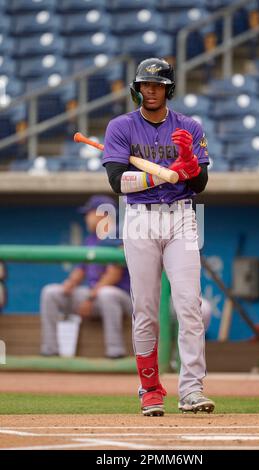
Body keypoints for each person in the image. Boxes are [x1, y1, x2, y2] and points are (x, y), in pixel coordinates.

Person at [103, 57, 215, 416]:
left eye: (158, 85)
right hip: (139, 219)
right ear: (138, 89)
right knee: (146, 310)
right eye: (146, 85)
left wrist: (190, 166)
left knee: (190, 307)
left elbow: (199, 184)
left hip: (182, 215)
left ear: (169, 88)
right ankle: (150, 388)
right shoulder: (120, 127)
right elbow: (119, 182)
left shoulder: (190, 127)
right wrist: (161, 176)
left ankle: (192, 390)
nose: (151, 90)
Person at [40, 195, 132, 359]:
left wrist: (90, 298)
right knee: (51, 292)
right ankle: (50, 349)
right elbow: (81, 268)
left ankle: (115, 352)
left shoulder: (118, 233)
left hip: (121, 297)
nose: (86, 218)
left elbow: (114, 274)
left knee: (107, 294)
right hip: (94, 294)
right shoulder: (91, 239)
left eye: (89, 213)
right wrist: (70, 283)